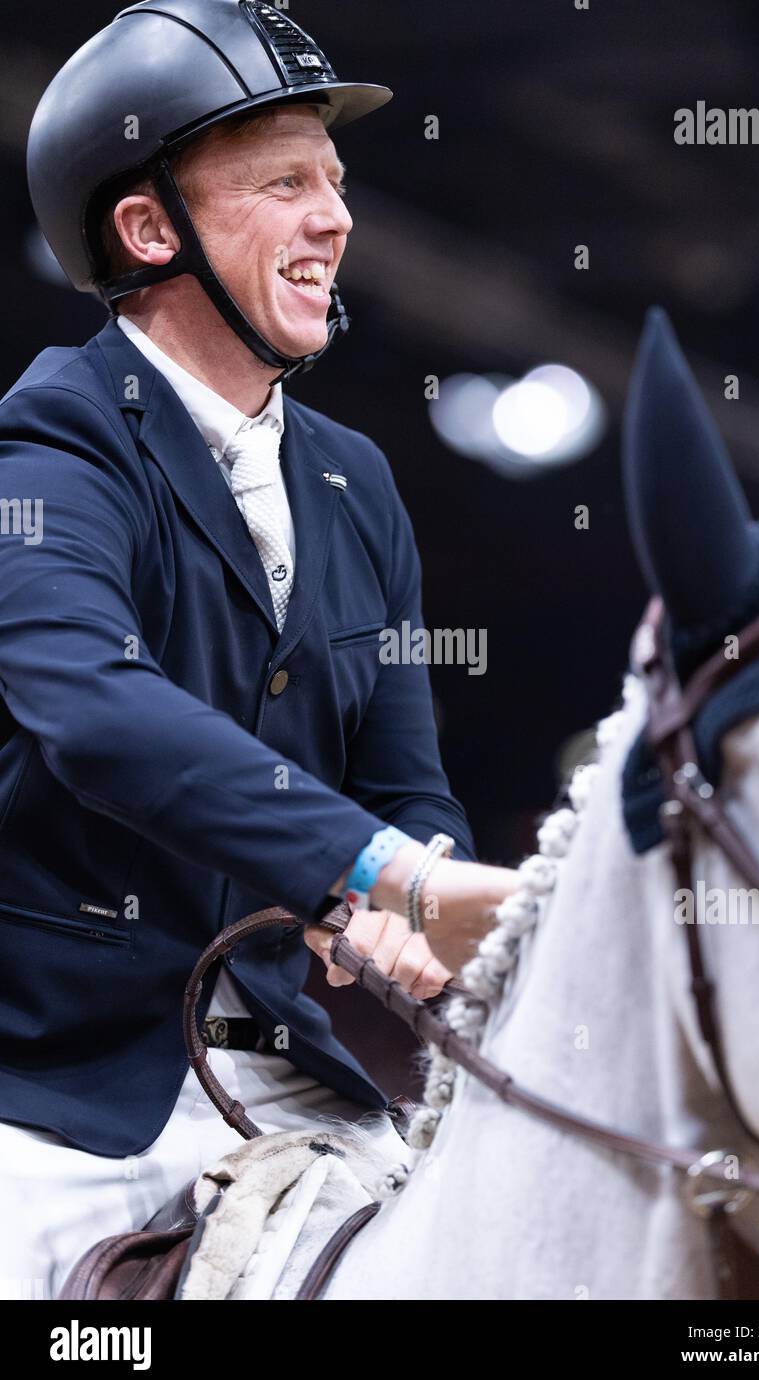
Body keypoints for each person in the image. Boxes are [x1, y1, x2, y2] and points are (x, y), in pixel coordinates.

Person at [0, 1, 518, 1297]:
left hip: (302, 1077)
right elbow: (96, 712)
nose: (335, 218)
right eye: (285, 182)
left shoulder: (356, 482)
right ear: (149, 227)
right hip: (64, 1096)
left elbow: (404, 779)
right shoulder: (51, 446)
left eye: (334, 183)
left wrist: (421, 893)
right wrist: (364, 869)